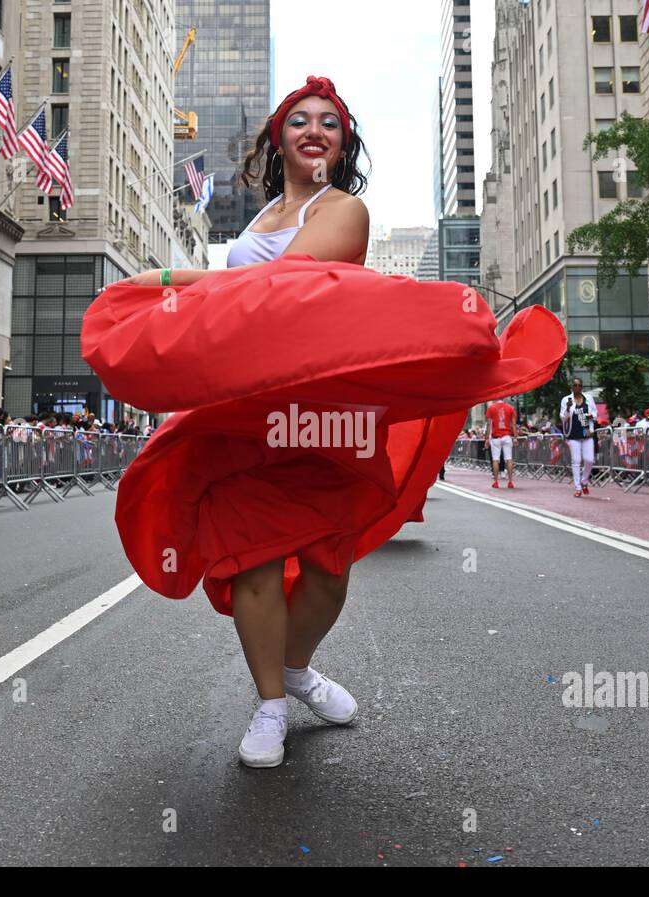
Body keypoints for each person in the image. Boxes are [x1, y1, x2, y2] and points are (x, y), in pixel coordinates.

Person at [82, 75, 566, 769]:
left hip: (321, 414)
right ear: (278, 141)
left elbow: (285, 289)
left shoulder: (345, 211)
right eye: (300, 120)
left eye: (329, 123)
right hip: (242, 410)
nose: (314, 129)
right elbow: (235, 305)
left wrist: (174, 281)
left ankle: (300, 667)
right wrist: (155, 286)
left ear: (342, 146)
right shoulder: (259, 221)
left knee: (326, 572)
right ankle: (272, 700)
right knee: (252, 559)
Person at [560, 377, 596, 497]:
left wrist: (590, 416)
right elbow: (563, 417)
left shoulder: (588, 398)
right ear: (571, 387)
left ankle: (584, 480)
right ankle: (578, 488)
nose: (577, 388)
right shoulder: (566, 399)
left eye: (579, 385)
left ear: (582, 387)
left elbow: (595, 415)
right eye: (575, 385)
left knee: (589, 460)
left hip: (586, 433)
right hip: (573, 434)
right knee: (576, 461)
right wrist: (568, 408)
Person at [485, 399, 517, 489]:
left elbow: (489, 424)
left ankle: (496, 482)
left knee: (495, 459)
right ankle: (510, 481)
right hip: (507, 436)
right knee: (509, 458)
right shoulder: (510, 408)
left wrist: (487, 438)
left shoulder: (491, 408)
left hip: (496, 437)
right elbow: (513, 424)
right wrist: (515, 437)